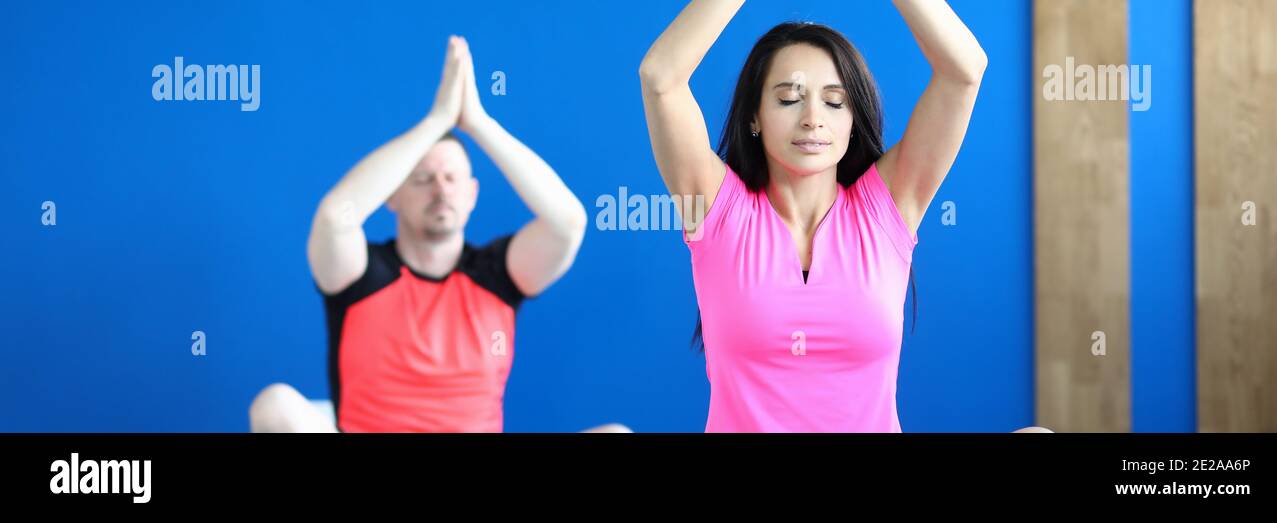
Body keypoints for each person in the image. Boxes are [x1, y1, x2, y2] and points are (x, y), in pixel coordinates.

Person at [640, 0, 1049, 433]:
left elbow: (965, 71)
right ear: (755, 117)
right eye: (789, 98)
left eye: (835, 102)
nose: (813, 119)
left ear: (853, 121)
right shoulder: (715, 210)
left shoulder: (888, 206)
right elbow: (660, 78)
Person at [250, 36, 626, 433]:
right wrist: (436, 122)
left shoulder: (497, 276)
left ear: (472, 195)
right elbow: (334, 219)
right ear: (391, 195)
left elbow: (568, 223)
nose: (441, 190)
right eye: (423, 179)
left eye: (452, 178)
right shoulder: (359, 274)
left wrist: (477, 122)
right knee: (276, 407)